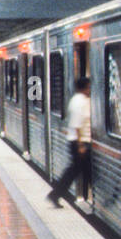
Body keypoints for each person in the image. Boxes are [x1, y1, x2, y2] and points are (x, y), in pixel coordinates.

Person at [48, 77, 91, 207]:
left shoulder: (76, 100)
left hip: (78, 142)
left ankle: (55, 195)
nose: (90, 89)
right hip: (79, 142)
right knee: (74, 171)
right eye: (88, 87)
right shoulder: (80, 102)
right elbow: (77, 125)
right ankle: (55, 195)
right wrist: (81, 146)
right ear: (83, 88)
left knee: (80, 171)